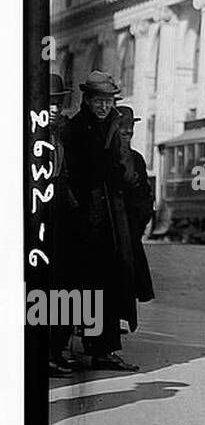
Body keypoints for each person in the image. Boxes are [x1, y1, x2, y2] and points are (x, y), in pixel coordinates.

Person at [65, 71, 140, 371]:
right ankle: (69, 346)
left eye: (108, 101)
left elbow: (126, 172)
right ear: (87, 100)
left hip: (110, 220)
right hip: (81, 217)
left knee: (108, 284)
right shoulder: (74, 129)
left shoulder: (112, 128)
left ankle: (103, 348)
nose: (103, 107)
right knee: (83, 285)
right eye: (98, 101)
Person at [47, 72, 81, 374]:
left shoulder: (60, 135)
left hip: (59, 215)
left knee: (63, 286)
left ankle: (56, 349)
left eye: (58, 103)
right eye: (49, 103)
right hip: (38, 218)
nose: (55, 109)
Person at [115, 107, 156, 310]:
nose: (127, 133)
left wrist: (143, 217)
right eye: (123, 129)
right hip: (111, 229)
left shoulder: (137, 159)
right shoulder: (109, 156)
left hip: (131, 229)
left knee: (128, 276)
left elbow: (145, 194)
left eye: (130, 129)